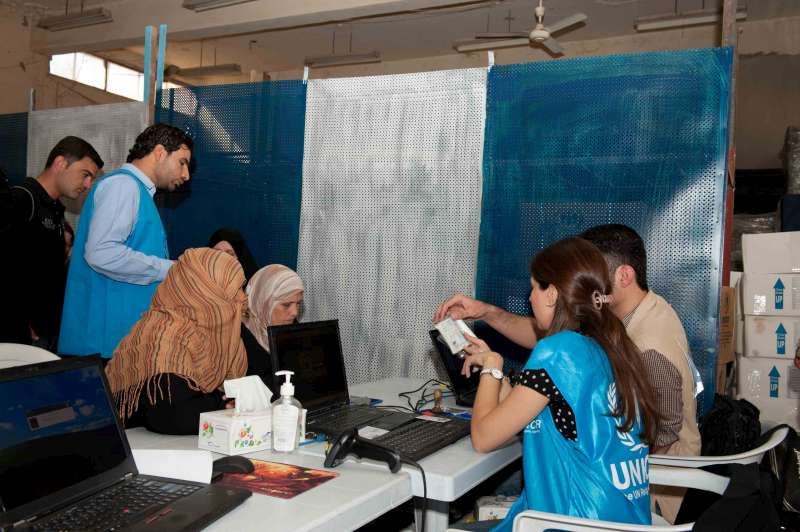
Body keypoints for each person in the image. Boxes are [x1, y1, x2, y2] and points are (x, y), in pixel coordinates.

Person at [436, 224, 699, 522]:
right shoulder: (611, 341)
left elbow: (483, 438)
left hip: (575, 520)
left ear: (552, 295)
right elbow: (544, 407)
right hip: (622, 516)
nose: (530, 297)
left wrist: (493, 370)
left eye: (534, 287)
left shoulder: (560, 351)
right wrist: (499, 370)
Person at [59, 124, 193, 358]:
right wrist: (171, 269)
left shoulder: (135, 190)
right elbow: (102, 253)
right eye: (182, 162)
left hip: (116, 344)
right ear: (160, 153)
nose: (186, 175)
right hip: (103, 347)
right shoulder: (123, 186)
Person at [105, 248, 247, 435]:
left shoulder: (220, 339)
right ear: (208, 295)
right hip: (141, 452)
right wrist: (221, 403)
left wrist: (220, 402)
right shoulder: (161, 336)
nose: (243, 298)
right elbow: (173, 415)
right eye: (235, 291)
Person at [0, 136, 102, 350]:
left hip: (47, 331)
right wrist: (18, 322)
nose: (88, 185)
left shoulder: (56, 211)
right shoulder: (21, 199)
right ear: (60, 163)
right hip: (18, 336)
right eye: (85, 175)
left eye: (91, 179)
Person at [241, 264, 304, 388]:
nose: (295, 313)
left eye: (298, 304)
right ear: (263, 303)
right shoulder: (238, 340)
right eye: (286, 305)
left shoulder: (296, 332)